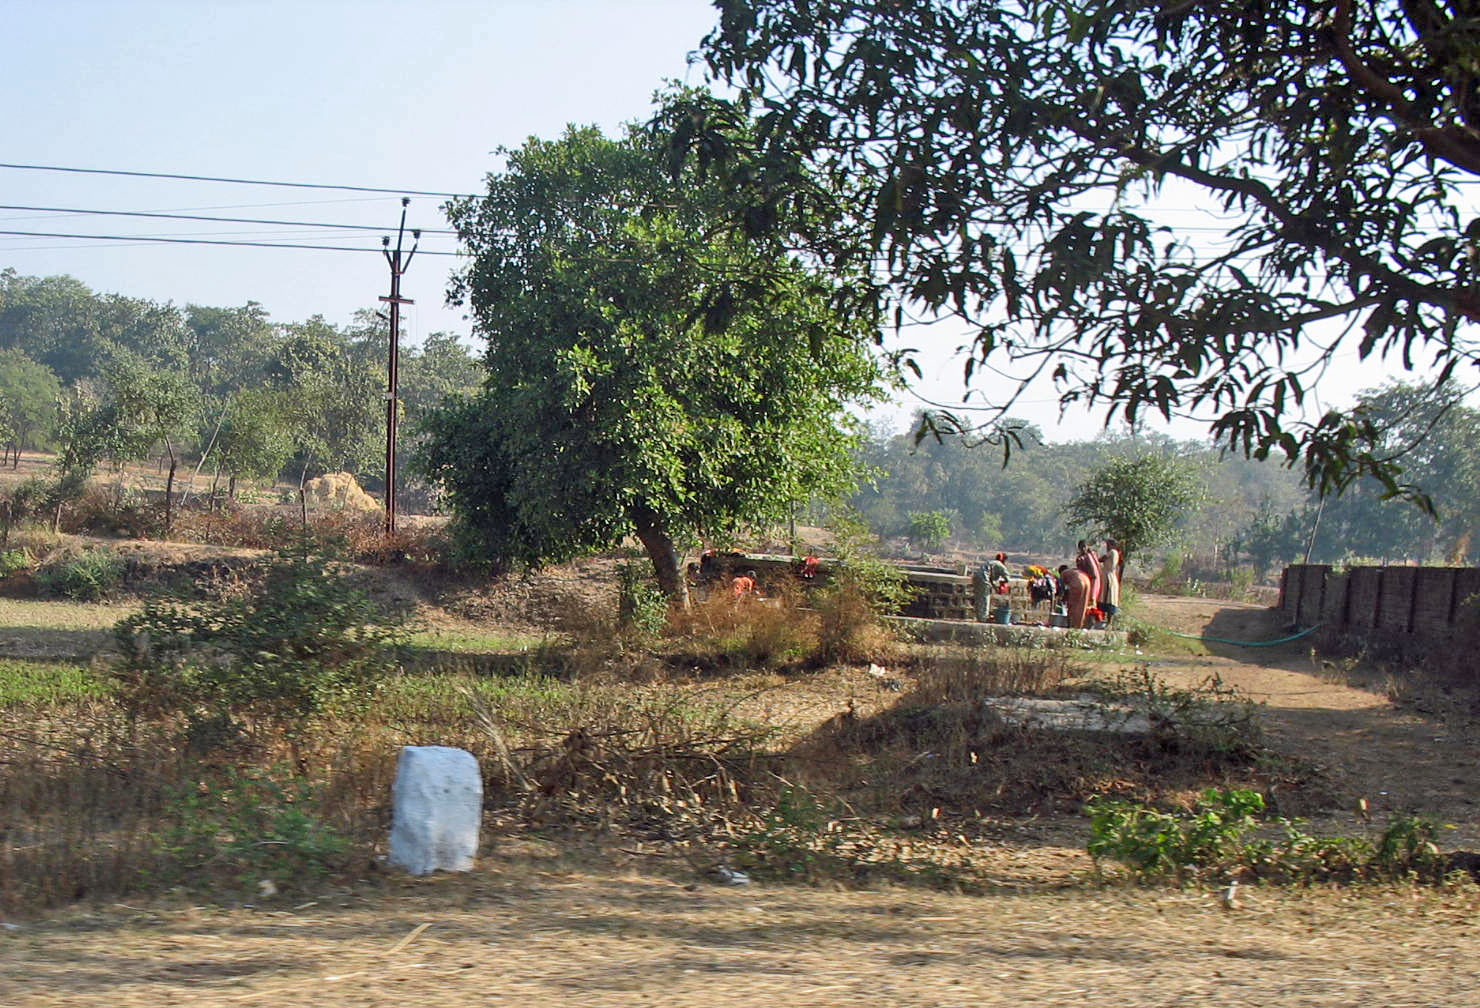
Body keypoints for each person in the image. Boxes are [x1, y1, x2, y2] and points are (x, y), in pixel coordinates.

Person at [1099, 538, 1122, 626]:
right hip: (1109, 576)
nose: (1107, 547)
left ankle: (1108, 623)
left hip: (1109, 578)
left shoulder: (1112, 552)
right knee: (1107, 599)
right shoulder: (1115, 553)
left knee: (1109, 599)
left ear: (1112, 545)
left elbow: (1101, 559)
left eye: (1108, 544)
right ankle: (1106, 622)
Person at [1075, 540, 1102, 610]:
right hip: (1088, 579)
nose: (1083, 549)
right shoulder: (1082, 557)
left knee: (1092, 598)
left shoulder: (1091, 555)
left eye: (1084, 547)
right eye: (1081, 548)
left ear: (1087, 547)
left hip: (1095, 578)